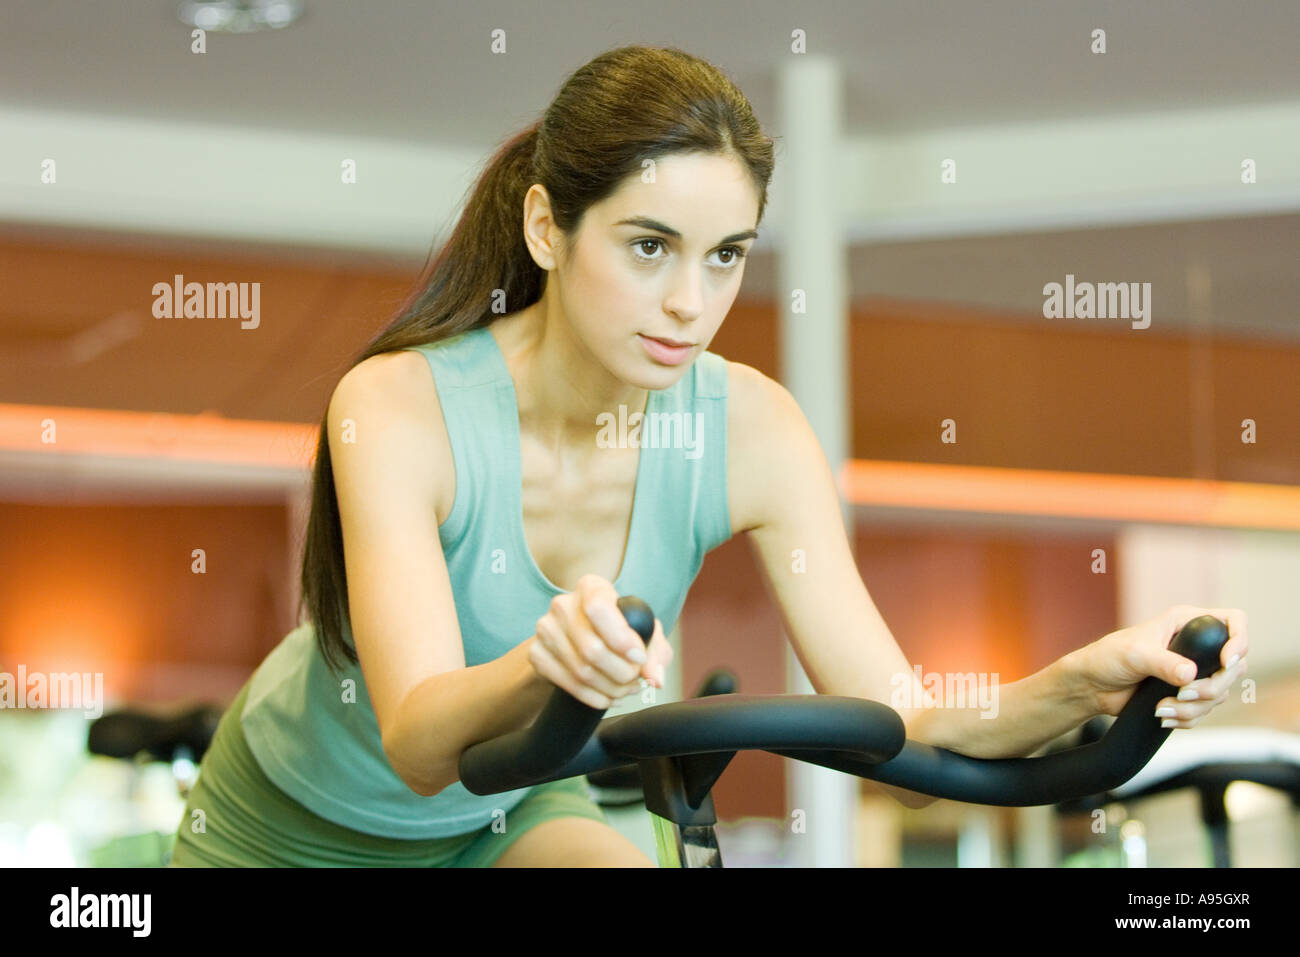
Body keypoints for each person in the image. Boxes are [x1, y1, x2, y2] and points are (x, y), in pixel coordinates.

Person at [170, 44, 1248, 868]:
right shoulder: (399, 406)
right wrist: (550, 662)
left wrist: (1071, 690)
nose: (691, 304)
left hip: (513, 810)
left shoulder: (752, 428)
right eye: (649, 248)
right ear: (549, 229)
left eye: (725, 256)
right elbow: (414, 740)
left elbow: (903, 734)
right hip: (291, 819)